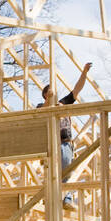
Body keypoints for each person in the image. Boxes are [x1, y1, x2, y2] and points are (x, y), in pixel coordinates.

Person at [37, 61, 91, 207]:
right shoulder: (42, 106)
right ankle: (51, 198)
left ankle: (66, 198)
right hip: (51, 145)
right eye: (49, 93)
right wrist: (49, 101)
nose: (54, 95)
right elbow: (40, 113)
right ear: (45, 95)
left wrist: (84, 72)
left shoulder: (63, 103)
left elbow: (76, 90)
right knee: (52, 173)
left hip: (65, 142)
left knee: (67, 172)